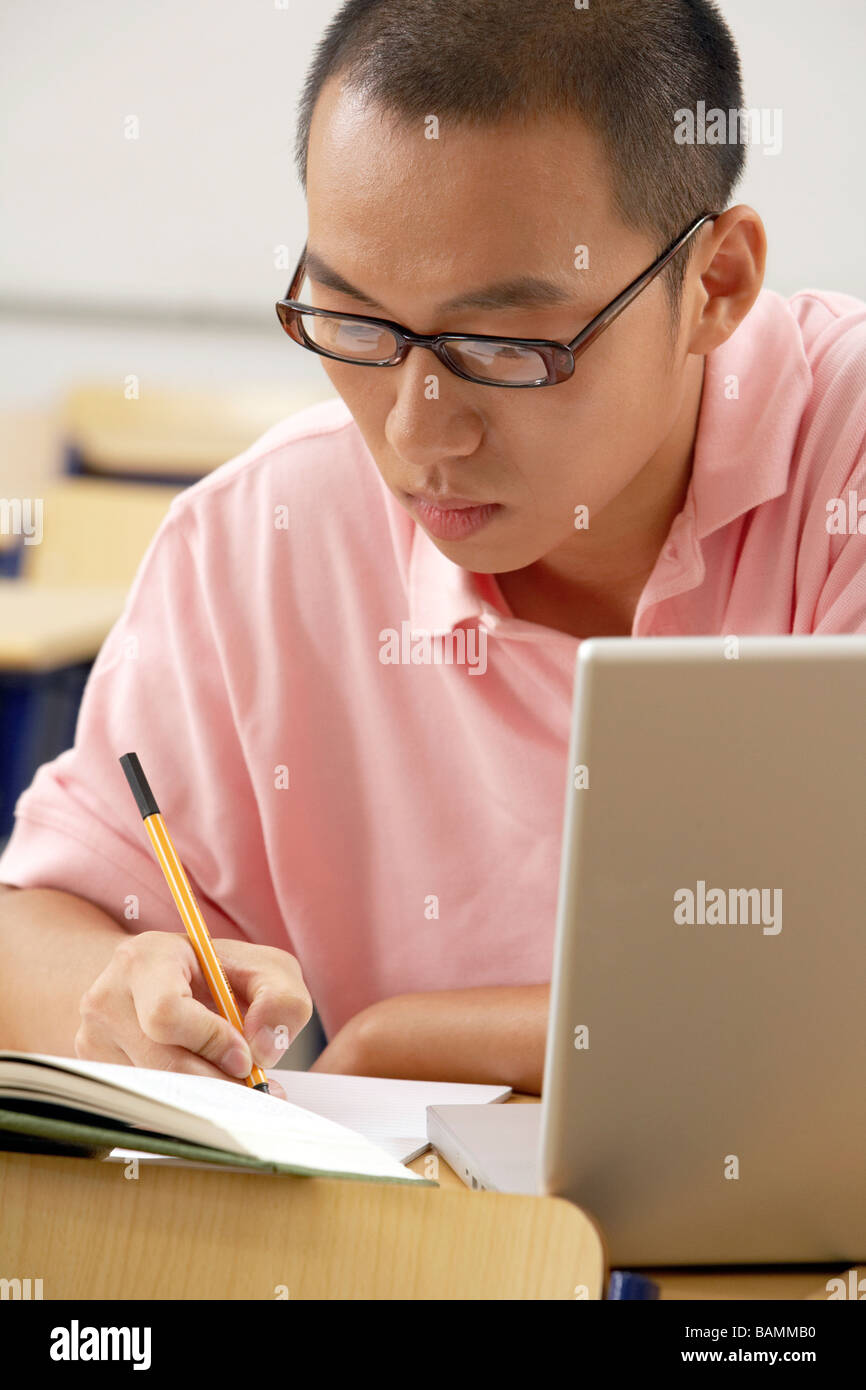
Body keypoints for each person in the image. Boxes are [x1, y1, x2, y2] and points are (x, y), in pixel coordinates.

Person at [1, 0, 864, 1097]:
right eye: (352, 323)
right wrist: (128, 988)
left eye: (501, 345)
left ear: (715, 285)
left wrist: (407, 1040)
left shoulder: (846, 456)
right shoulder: (263, 539)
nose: (415, 435)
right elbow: (34, 930)